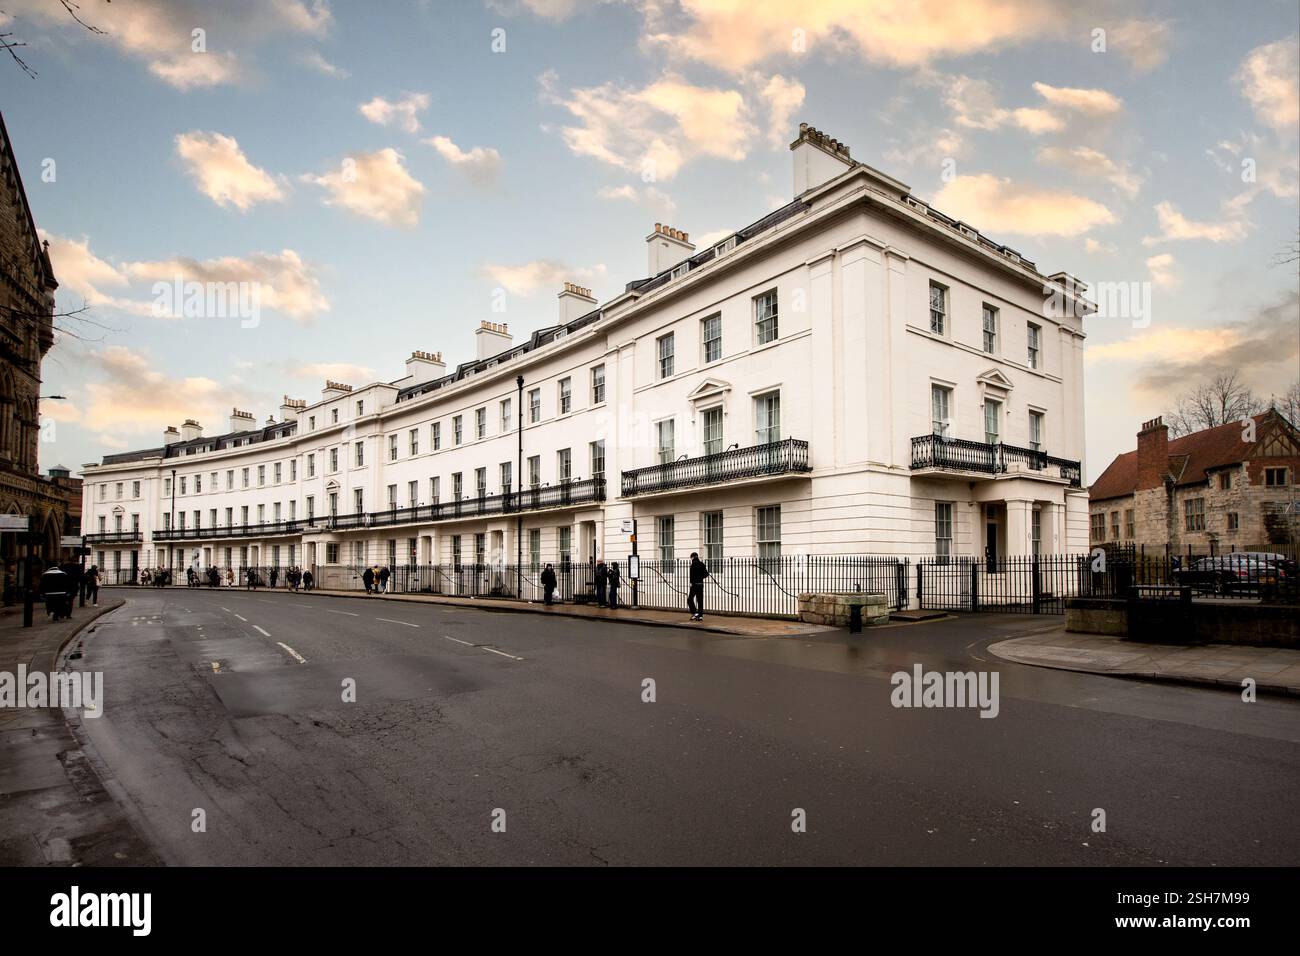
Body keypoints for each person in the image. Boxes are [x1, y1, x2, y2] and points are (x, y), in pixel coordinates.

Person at [688, 551, 709, 621]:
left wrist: (691, 583)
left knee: (690, 599)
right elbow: (706, 574)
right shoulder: (702, 564)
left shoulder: (693, 565)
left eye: (691, 558)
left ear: (693, 557)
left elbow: (691, 575)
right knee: (700, 600)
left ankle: (695, 613)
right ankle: (700, 616)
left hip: (694, 585)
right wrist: (701, 577)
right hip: (700, 584)